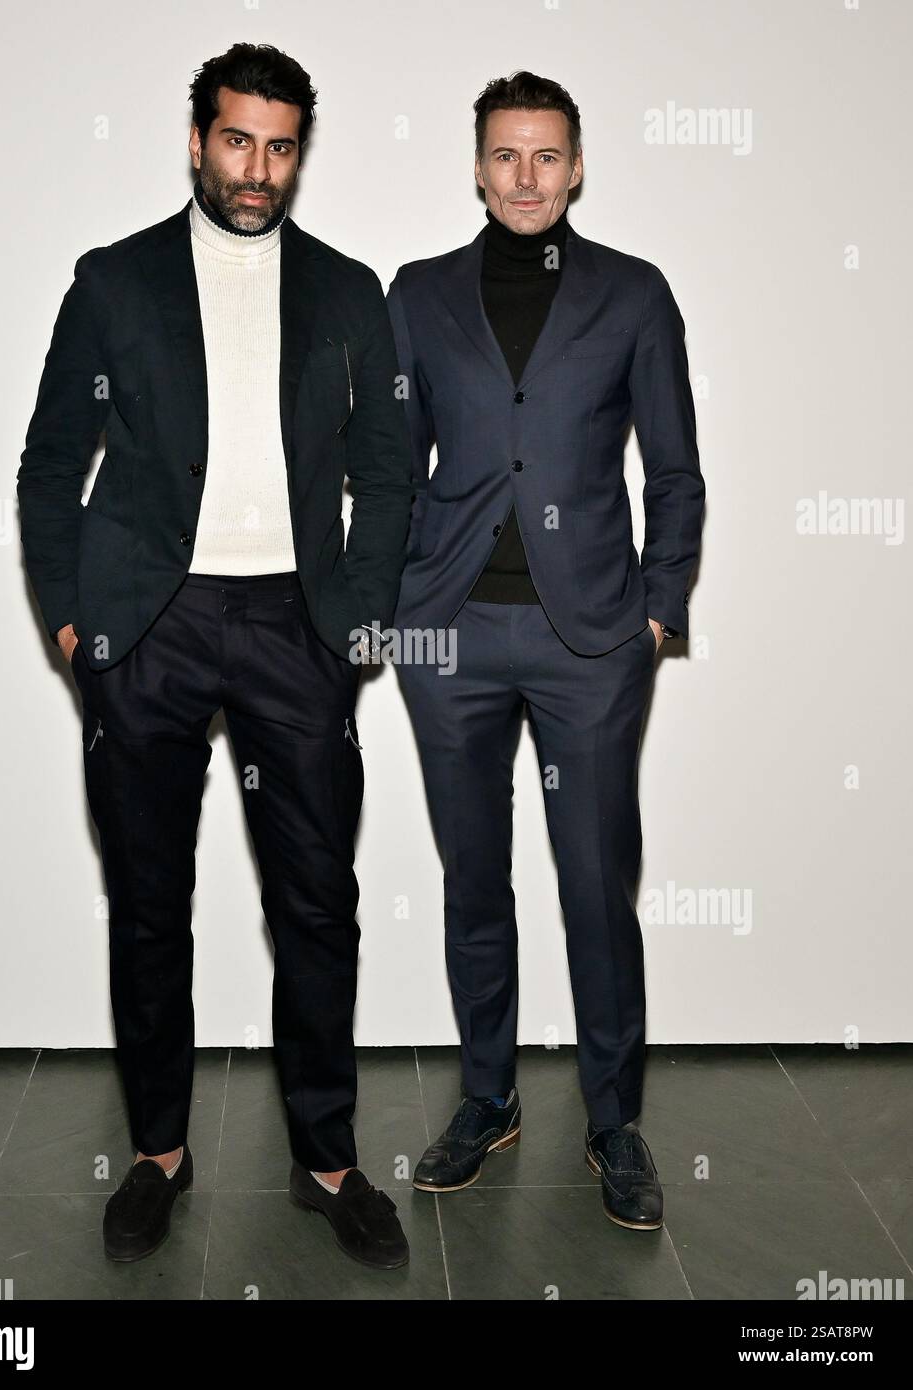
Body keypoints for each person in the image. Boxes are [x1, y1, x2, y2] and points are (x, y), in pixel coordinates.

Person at [17, 42, 412, 1268]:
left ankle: (328, 1158)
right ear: (196, 140)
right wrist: (73, 623)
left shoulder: (349, 292)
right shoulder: (114, 282)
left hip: (296, 623)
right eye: (236, 140)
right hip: (152, 624)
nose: (257, 168)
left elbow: (390, 471)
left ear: (301, 152)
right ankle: (157, 1153)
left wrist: (354, 619)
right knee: (148, 902)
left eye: (280, 145)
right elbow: (47, 464)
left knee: (318, 902)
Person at [386, 70, 705, 1230]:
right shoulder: (416, 295)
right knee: (473, 880)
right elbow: (387, 468)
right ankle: (486, 1097)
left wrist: (657, 611)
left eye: (546, 156)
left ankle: (612, 1122)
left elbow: (671, 466)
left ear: (576, 168)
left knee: (590, 882)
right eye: (504, 156)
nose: (525, 176)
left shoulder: (631, 294)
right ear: (476, 167)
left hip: (589, 642)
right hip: (451, 633)